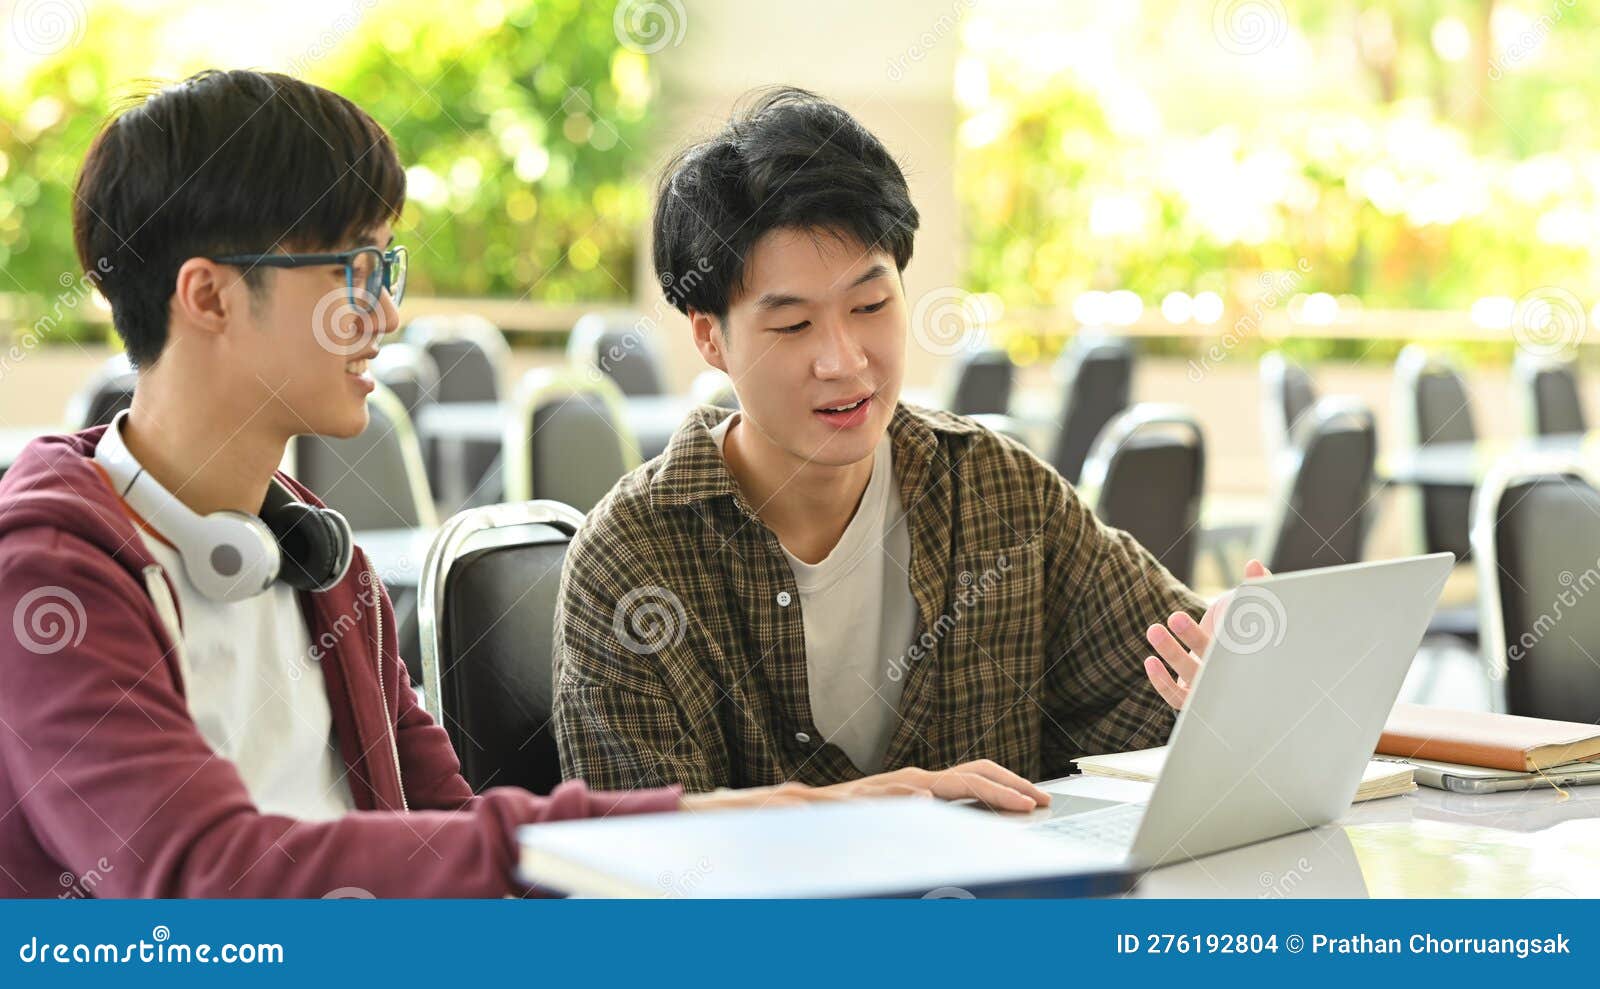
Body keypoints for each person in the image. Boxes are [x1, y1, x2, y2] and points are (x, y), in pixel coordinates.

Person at [0, 70, 1045, 899]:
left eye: (387, 270)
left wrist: (808, 816)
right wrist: (771, 817)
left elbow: (462, 844)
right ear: (210, 295)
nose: (385, 314)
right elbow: (199, 879)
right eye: (352, 271)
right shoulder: (47, 574)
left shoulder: (322, 563)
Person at [553, 87, 1253, 794]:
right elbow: (635, 862)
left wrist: (1234, 668)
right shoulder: (632, 561)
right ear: (710, 335)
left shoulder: (999, 492)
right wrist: (863, 810)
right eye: (793, 325)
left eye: (871, 305)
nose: (845, 360)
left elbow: (1163, 675)